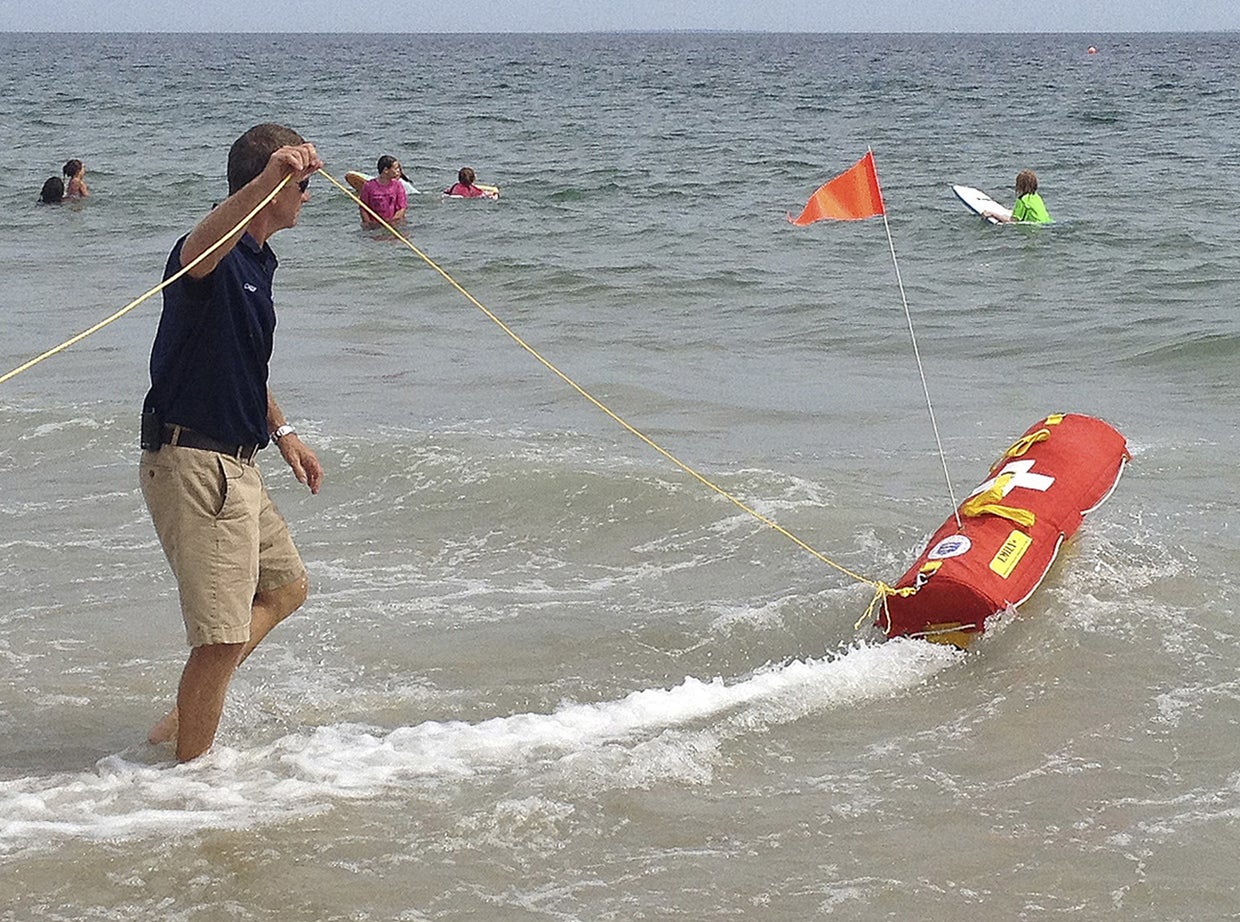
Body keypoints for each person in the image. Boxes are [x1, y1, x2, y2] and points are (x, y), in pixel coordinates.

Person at [139, 123, 325, 762]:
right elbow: (203, 242)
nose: (307, 194)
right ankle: (187, 783)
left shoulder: (259, 262)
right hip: (194, 459)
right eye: (300, 185)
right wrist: (270, 173)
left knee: (286, 588)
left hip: (240, 462)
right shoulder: (208, 254)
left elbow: (243, 363)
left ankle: (187, 710)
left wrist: (284, 432)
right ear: (270, 184)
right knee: (217, 642)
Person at [986, 169, 1051, 224]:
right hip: (1046, 223)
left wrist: (993, 214)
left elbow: (1013, 221)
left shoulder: (1022, 200)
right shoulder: (1036, 197)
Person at [359, 154, 407, 227]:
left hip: (394, 224)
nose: (398, 171)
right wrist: (369, 223)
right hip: (374, 225)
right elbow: (363, 208)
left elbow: (402, 208)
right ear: (386, 170)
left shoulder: (398, 185)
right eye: (396, 168)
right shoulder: (368, 186)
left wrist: (391, 222)